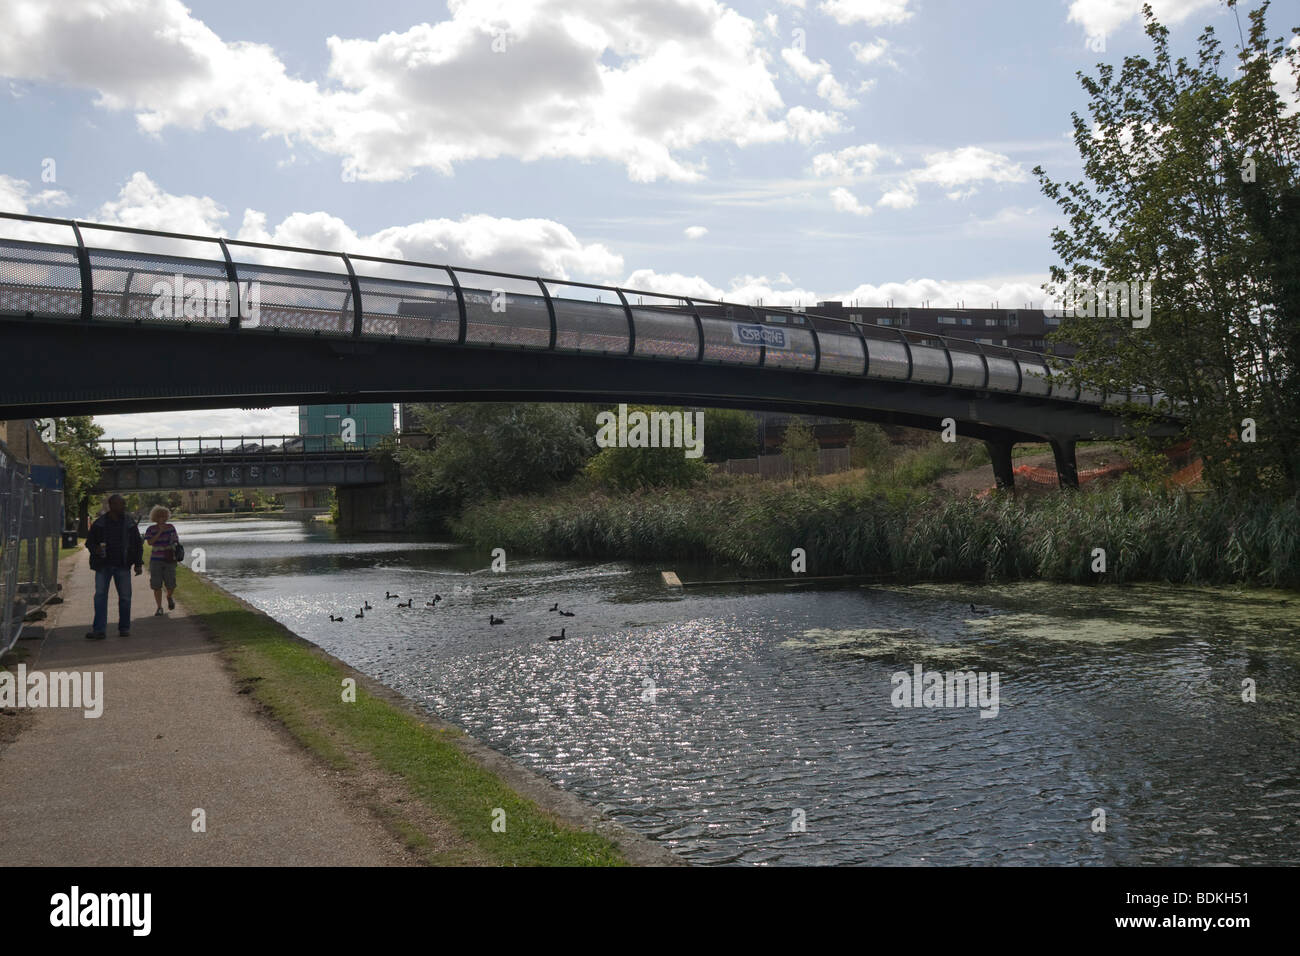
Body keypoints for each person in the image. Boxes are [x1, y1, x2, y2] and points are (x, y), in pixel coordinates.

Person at [84, 494, 143, 639]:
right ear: (111, 505)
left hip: (123, 565)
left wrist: (138, 563)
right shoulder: (99, 524)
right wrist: (95, 549)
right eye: (120, 504)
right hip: (103, 565)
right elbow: (89, 542)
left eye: (123, 504)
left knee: (125, 597)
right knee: (100, 596)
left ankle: (124, 628)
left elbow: (137, 544)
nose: (123, 507)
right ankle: (99, 630)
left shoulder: (129, 523)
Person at [143, 505, 181, 615]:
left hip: (169, 559)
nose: (163, 518)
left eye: (164, 516)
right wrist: (159, 532)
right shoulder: (151, 529)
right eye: (160, 516)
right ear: (155, 517)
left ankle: (169, 596)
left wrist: (173, 543)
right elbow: (150, 543)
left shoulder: (171, 527)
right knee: (156, 585)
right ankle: (159, 607)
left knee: (171, 584)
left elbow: (175, 540)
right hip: (156, 560)